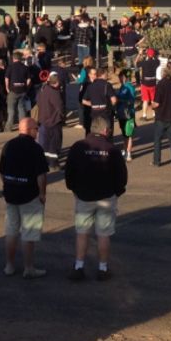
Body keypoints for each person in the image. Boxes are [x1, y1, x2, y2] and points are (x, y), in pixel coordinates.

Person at [64, 116, 128, 281]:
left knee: (82, 233)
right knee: (103, 234)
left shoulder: (78, 147)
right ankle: (103, 268)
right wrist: (117, 192)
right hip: (106, 197)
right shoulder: (112, 149)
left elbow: (69, 171)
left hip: (84, 196)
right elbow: (122, 175)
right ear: (105, 131)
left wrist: (74, 189)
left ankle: (79, 266)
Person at [0, 117, 49, 279]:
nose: (38, 131)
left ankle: (9, 265)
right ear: (30, 130)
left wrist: (7, 184)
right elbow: (41, 175)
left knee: (11, 231)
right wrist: (42, 194)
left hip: (11, 195)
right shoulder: (35, 148)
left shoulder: (9, 145)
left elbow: (1, 170)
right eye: (36, 128)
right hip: (30, 195)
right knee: (29, 233)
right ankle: (29, 268)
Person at [151, 65, 171, 167]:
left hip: (161, 116)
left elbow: (156, 103)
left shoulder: (160, 85)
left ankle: (157, 161)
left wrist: (152, 106)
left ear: (162, 75)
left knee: (157, 140)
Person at [35, 69, 65, 170]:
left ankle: (44, 162)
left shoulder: (43, 89)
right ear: (56, 83)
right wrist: (61, 117)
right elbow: (60, 107)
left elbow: (38, 101)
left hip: (43, 119)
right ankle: (53, 163)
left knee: (44, 143)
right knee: (54, 143)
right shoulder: (55, 93)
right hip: (54, 121)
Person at [80, 65, 116, 139]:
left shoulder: (90, 86)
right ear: (103, 74)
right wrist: (109, 105)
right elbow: (114, 100)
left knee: (95, 133)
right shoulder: (107, 85)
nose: (107, 75)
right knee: (107, 134)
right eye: (106, 74)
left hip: (94, 114)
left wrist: (93, 104)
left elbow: (83, 101)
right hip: (106, 114)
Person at [4, 50, 32, 130]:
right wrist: (25, 87)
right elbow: (29, 79)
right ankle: (22, 127)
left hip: (13, 90)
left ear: (13, 58)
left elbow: (6, 79)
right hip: (22, 90)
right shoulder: (25, 67)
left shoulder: (10, 67)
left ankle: (9, 127)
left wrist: (7, 88)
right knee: (22, 109)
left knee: (11, 110)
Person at [115, 69, 137, 161]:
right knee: (124, 134)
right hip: (121, 113)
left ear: (123, 77)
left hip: (128, 114)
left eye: (120, 77)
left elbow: (132, 100)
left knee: (129, 134)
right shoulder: (122, 86)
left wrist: (119, 100)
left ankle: (128, 153)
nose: (119, 79)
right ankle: (125, 150)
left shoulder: (129, 87)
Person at [137, 48, 160, 120]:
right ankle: (154, 114)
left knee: (145, 100)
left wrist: (140, 54)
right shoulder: (156, 62)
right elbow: (157, 59)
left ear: (147, 54)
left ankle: (144, 115)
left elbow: (136, 63)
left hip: (145, 84)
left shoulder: (144, 63)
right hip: (153, 83)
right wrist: (154, 55)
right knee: (153, 99)